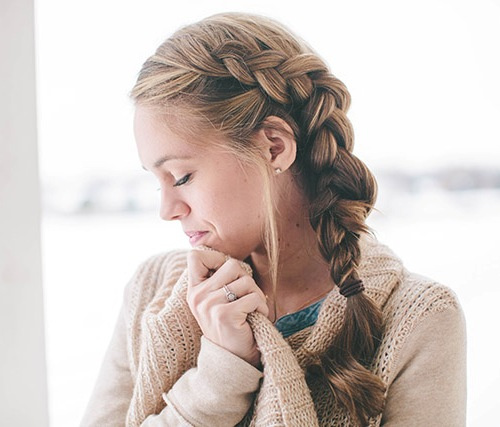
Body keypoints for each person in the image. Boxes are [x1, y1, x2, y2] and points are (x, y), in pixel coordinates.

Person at [81, 12, 466, 427]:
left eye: (181, 177)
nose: (168, 209)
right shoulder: (152, 291)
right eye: (159, 184)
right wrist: (219, 376)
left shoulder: (417, 319)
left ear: (274, 148)